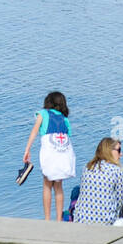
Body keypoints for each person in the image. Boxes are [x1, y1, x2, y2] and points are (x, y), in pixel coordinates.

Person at [22, 91, 75, 221]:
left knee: (47, 185)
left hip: (50, 154)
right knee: (58, 187)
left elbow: (35, 131)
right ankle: (58, 220)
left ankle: (47, 219)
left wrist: (27, 149)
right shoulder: (65, 119)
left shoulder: (43, 114)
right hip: (63, 155)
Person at [71, 137, 123, 225]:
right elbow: (120, 201)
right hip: (106, 221)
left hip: (82, 219)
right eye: (119, 150)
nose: (121, 154)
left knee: (76, 191)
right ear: (109, 151)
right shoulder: (117, 170)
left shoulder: (87, 167)